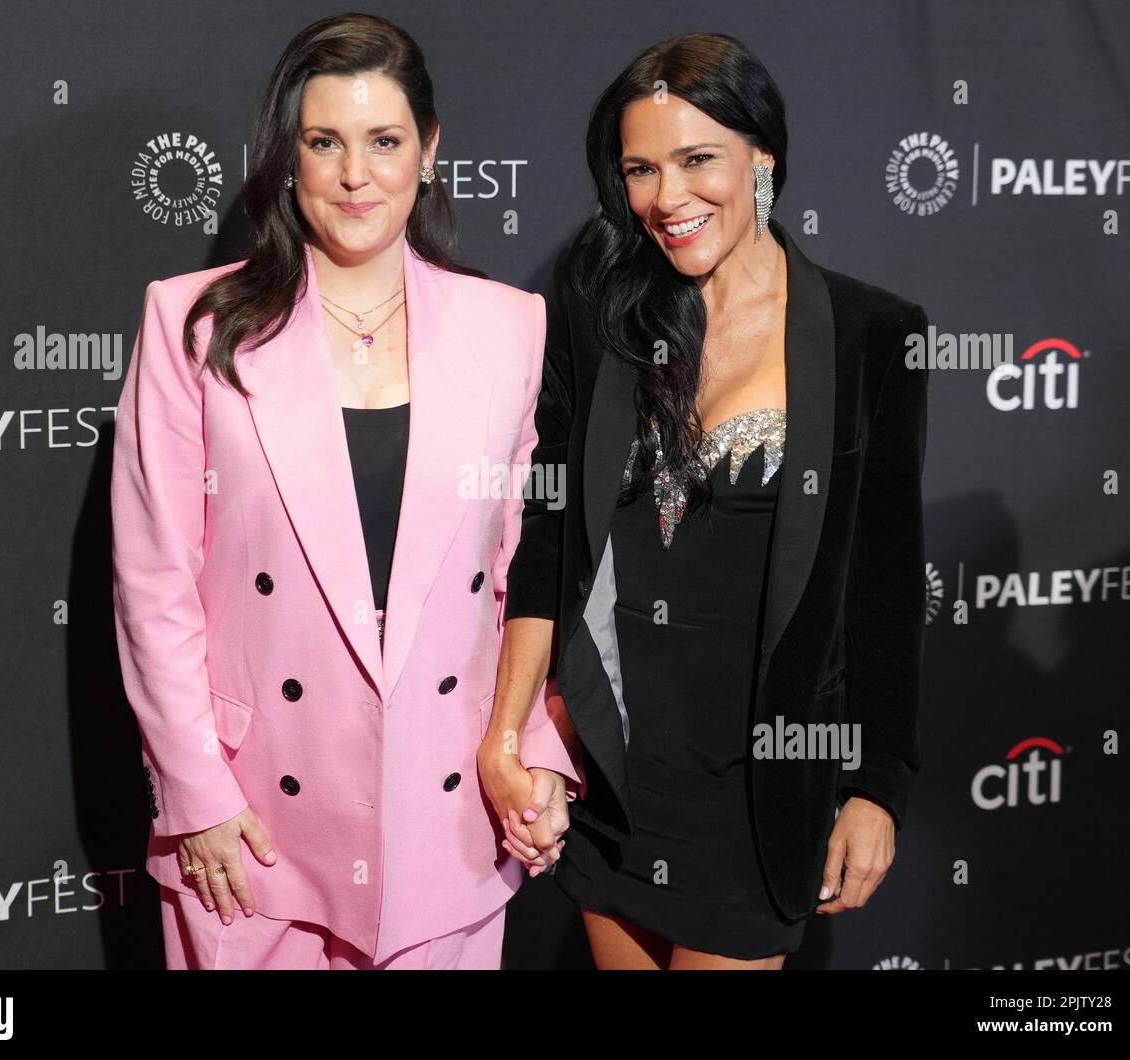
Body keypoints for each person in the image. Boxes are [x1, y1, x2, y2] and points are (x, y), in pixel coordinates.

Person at [110, 12, 577, 971]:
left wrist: (536, 751)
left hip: (443, 816)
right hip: (250, 832)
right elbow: (155, 581)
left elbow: (523, 575)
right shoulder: (194, 324)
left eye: (384, 141)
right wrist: (196, 793)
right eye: (325, 142)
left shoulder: (511, 329)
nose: (356, 175)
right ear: (290, 156)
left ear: (430, 149)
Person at [500, 32, 929, 969]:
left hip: (756, 794)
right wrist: (522, 724)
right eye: (642, 169)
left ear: (762, 158)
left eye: (699, 160)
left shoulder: (872, 334)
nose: (668, 197)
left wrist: (876, 786)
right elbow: (550, 533)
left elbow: (887, 586)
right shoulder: (603, 310)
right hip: (616, 776)